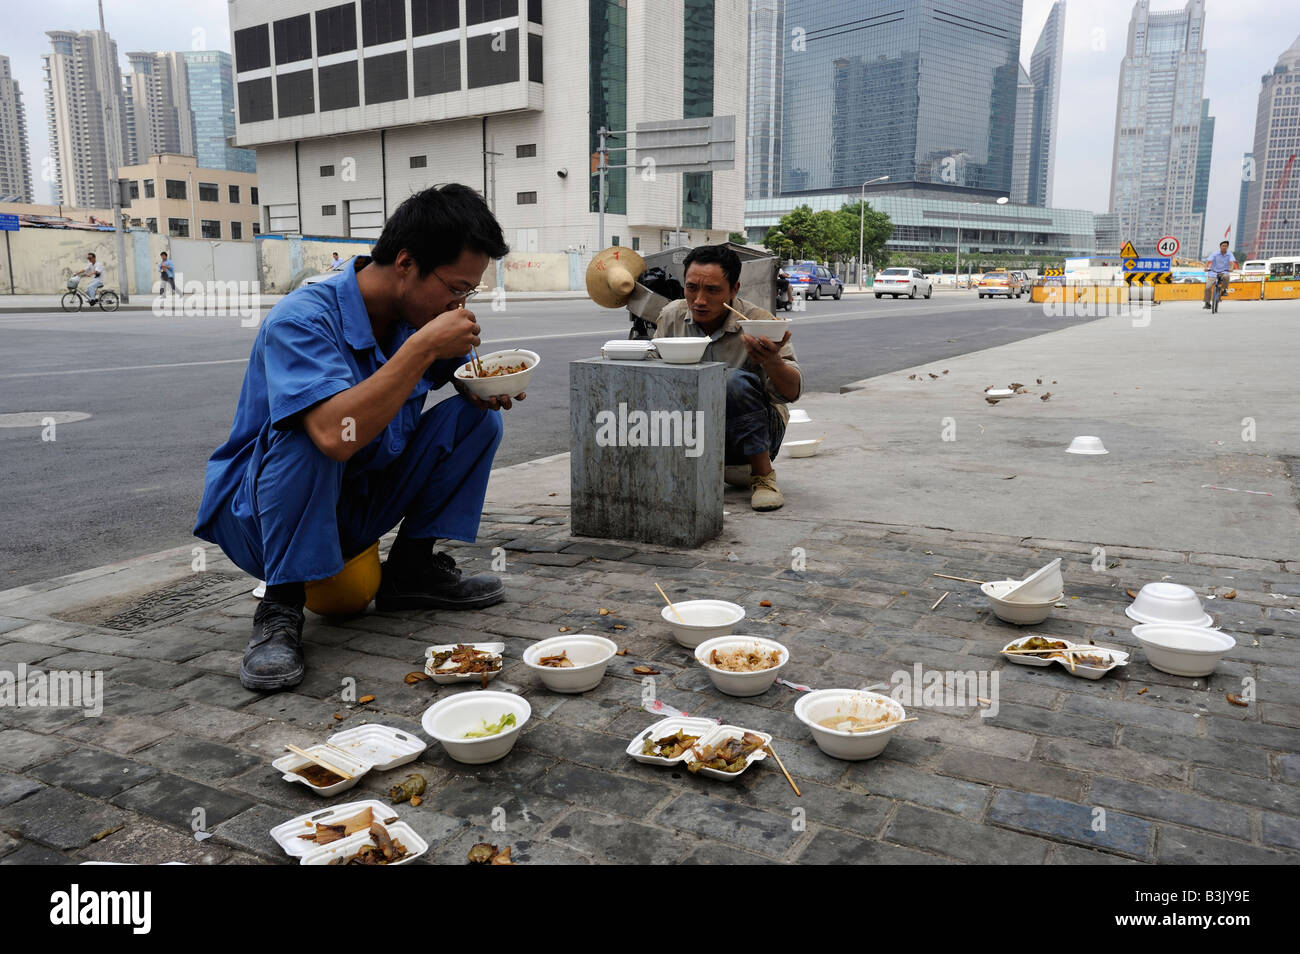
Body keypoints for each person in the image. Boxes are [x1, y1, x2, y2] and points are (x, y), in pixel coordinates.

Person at [194, 184, 522, 692]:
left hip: (352, 503)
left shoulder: (413, 316)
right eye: (456, 287)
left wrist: (480, 383)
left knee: (475, 420)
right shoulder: (302, 319)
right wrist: (420, 349)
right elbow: (333, 434)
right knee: (312, 433)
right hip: (262, 517)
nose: (460, 303)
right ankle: (279, 607)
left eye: (469, 293)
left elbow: (457, 376)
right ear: (407, 263)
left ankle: (410, 572)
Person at [652, 244, 801, 511]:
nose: (699, 300)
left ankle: (764, 478)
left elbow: (791, 393)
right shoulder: (671, 317)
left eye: (712, 290)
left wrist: (772, 361)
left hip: (757, 438)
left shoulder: (759, 323)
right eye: (691, 287)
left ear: (734, 289)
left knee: (729, 380)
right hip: (696, 432)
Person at [1204, 240, 1237, 308]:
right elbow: (1208, 260)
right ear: (1220, 246)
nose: (1224, 247)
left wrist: (1231, 268)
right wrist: (1206, 267)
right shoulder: (1215, 253)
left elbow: (1232, 262)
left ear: (1227, 247)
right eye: (1223, 246)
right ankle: (1207, 303)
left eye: (1226, 246)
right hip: (1213, 272)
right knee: (1207, 287)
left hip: (1224, 272)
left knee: (1227, 276)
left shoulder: (1229, 254)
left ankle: (1224, 290)